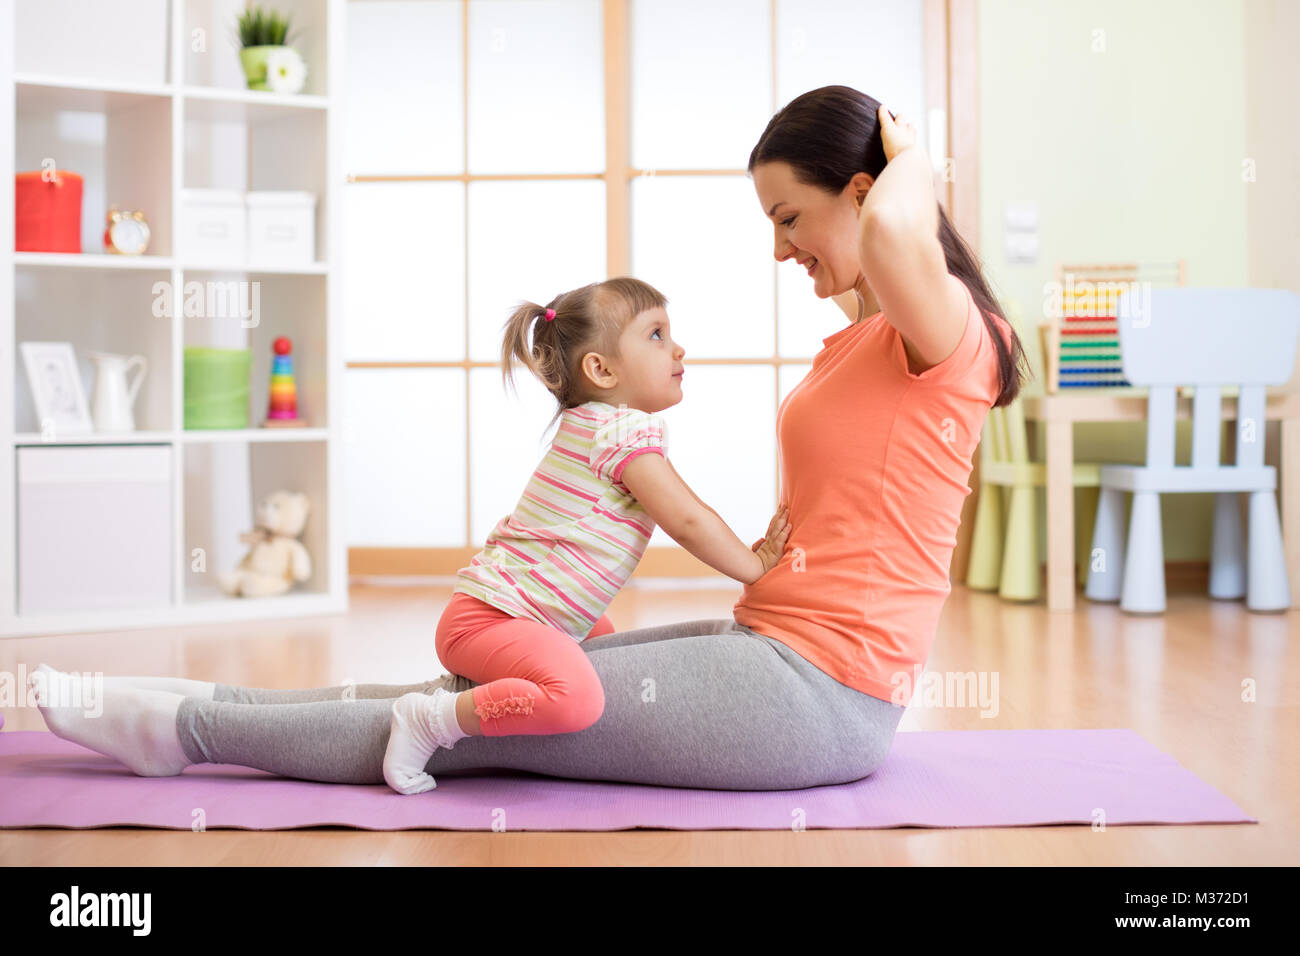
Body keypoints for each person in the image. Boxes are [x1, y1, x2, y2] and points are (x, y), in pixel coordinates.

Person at [30, 85, 1027, 793]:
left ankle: (180, 732)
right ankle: (187, 696)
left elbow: (902, 235)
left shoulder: (951, 339)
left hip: (822, 694)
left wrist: (914, 153)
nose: (776, 247)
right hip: (774, 647)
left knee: (464, 730)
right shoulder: (862, 341)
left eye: (788, 216)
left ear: (864, 191)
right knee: (457, 694)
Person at [382, 278, 792, 794]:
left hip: (529, 615)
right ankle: (432, 720)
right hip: (486, 621)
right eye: (657, 335)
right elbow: (685, 518)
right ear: (600, 369)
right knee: (578, 697)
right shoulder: (619, 433)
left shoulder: (596, 426)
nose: (678, 347)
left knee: (616, 665)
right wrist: (755, 566)